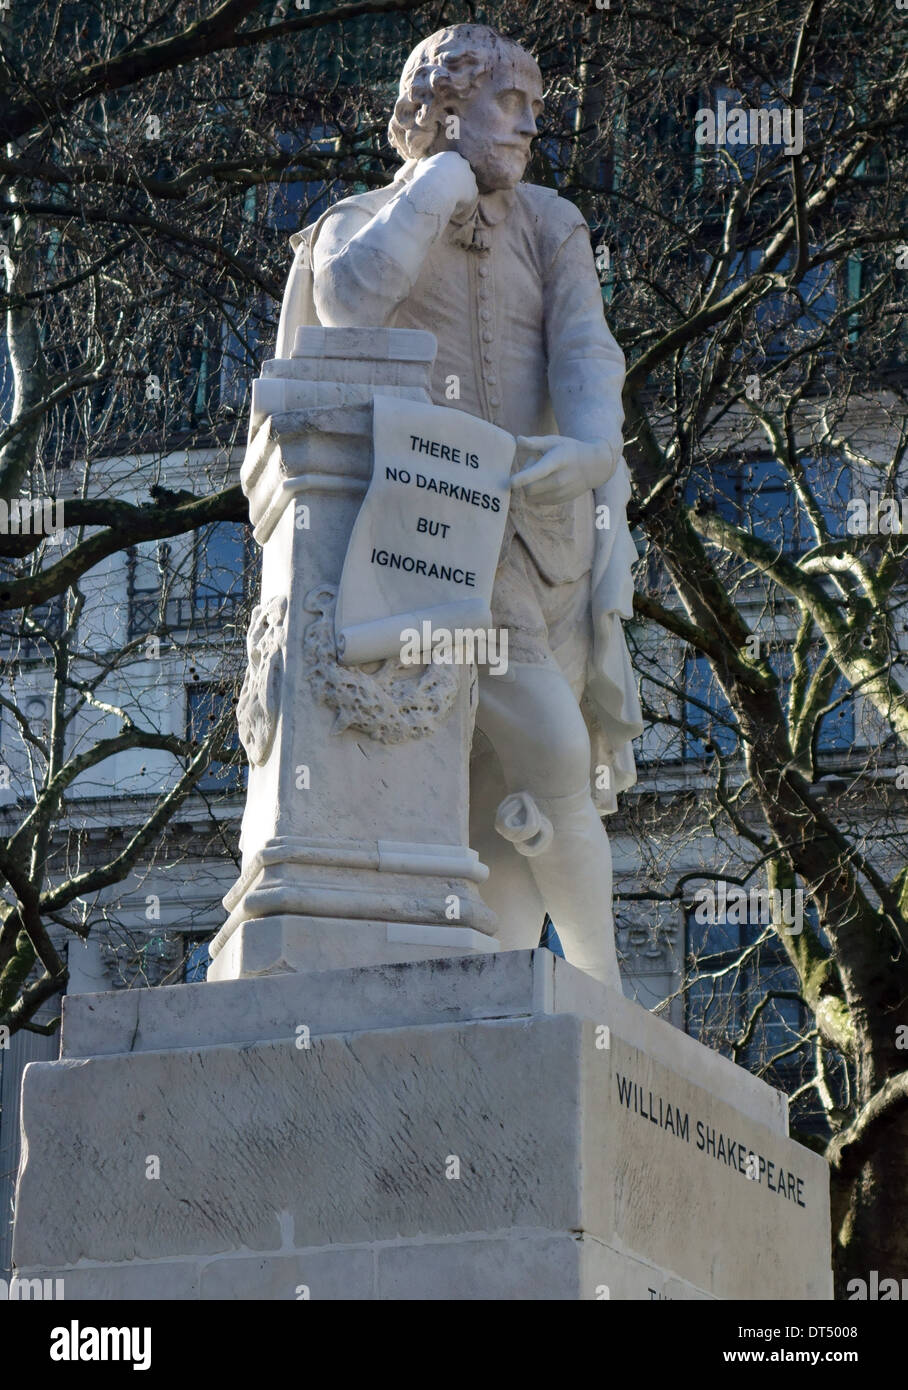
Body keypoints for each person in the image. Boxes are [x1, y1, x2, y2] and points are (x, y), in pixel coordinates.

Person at [275, 23, 642, 988]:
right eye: (507, 105)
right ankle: (607, 995)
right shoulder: (363, 218)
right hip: (422, 535)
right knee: (554, 750)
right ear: (444, 107)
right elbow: (351, 301)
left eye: (533, 107)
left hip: (539, 536)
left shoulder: (552, 222)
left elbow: (587, 347)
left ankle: (511, 993)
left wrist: (595, 443)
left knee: (495, 805)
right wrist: (438, 182)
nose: (528, 127)